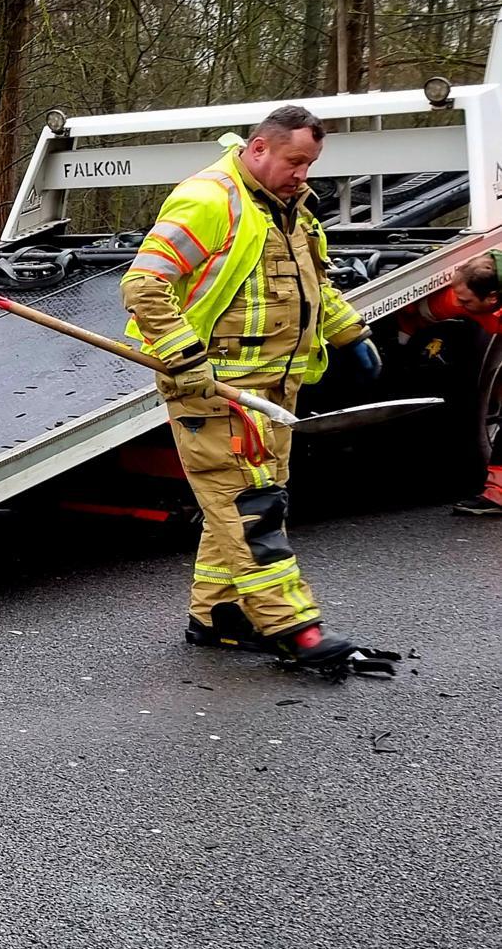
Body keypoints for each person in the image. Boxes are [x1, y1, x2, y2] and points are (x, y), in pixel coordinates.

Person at [120, 104, 392, 671]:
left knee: (243, 503)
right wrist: (183, 357)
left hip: (274, 389)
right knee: (252, 509)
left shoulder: (291, 210)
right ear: (259, 148)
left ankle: (218, 615)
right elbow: (146, 284)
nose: (303, 174)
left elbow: (311, 284)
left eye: (310, 163)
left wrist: (349, 335)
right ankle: (295, 626)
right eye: (295, 161)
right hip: (217, 392)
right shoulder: (209, 200)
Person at [390, 254, 502, 517]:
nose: (458, 303)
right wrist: (402, 343)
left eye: (465, 300)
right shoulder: (464, 297)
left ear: (492, 298)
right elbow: (419, 313)